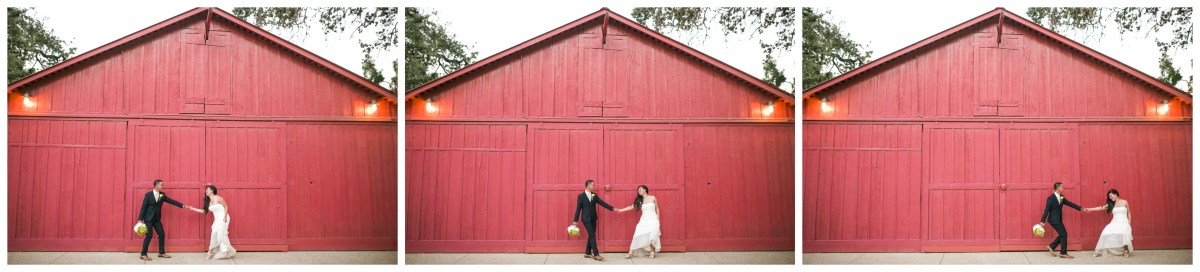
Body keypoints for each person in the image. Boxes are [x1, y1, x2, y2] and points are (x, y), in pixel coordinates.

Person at [137, 179, 194, 261]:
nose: (163, 186)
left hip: (156, 219)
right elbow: (143, 207)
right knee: (149, 235)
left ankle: (161, 252)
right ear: (156, 186)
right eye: (162, 185)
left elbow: (171, 201)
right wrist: (140, 219)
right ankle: (143, 254)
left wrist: (183, 206)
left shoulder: (162, 195)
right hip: (148, 219)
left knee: (161, 234)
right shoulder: (148, 195)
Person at [186, 185, 237, 259]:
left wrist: (225, 217)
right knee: (214, 235)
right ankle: (219, 251)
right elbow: (203, 211)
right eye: (206, 190)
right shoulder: (208, 201)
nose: (206, 191)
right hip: (217, 220)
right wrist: (192, 208)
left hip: (223, 218)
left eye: (208, 189)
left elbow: (226, 206)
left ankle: (210, 252)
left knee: (220, 236)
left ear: (212, 190)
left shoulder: (218, 198)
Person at [1082, 189, 1134, 257]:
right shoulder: (1111, 204)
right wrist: (1090, 209)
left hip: (1124, 222)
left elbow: (1129, 212)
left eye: (1111, 195)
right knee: (1105, 232)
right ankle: (1099, 251)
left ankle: (1126, 251)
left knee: (1124, 234)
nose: (1110, 197)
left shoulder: (1125, 202)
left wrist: (1129, 222)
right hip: (1115, 222)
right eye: (1109, 196)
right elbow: (1101, 208)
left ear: (1115, 194)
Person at [572, 180, 614, 261]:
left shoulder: (594, 195)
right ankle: (596, 254)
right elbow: (578, 209)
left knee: (591, 235)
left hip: (593, 218)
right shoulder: (581, 196)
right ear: (588, 186)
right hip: (586, 219)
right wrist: (575, 220)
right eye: (593, 185)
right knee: (592, 235)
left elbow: (602, 203)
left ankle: (587, 253)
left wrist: (612, 208)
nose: (594, 187)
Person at [615, 185, 661, 259]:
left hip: (653, 219)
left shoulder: (653, 198)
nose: (638, 191)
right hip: (644, 220)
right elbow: (631, 207)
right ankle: (631, 252)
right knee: (637, 234)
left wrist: (658, 219)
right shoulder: (639, 200)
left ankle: (652, 252)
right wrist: (621, 210)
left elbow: (657, 208)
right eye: (638, 190)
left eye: (640, 189)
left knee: (652, 235)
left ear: (645, 190)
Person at [1039, 181, 1082, 258]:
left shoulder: (1061, 197)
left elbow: (1069, 203)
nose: (1063, 188)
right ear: (1058, 188)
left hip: (1058, 219)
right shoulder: (1051, 198)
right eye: (1062, 187)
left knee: (1063, 234)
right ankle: (1063, 252)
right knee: (1064, 234)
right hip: (1053, 220)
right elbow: (1047, 210)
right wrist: (1042, 221)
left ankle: (1051, 247)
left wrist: (1081, 208)